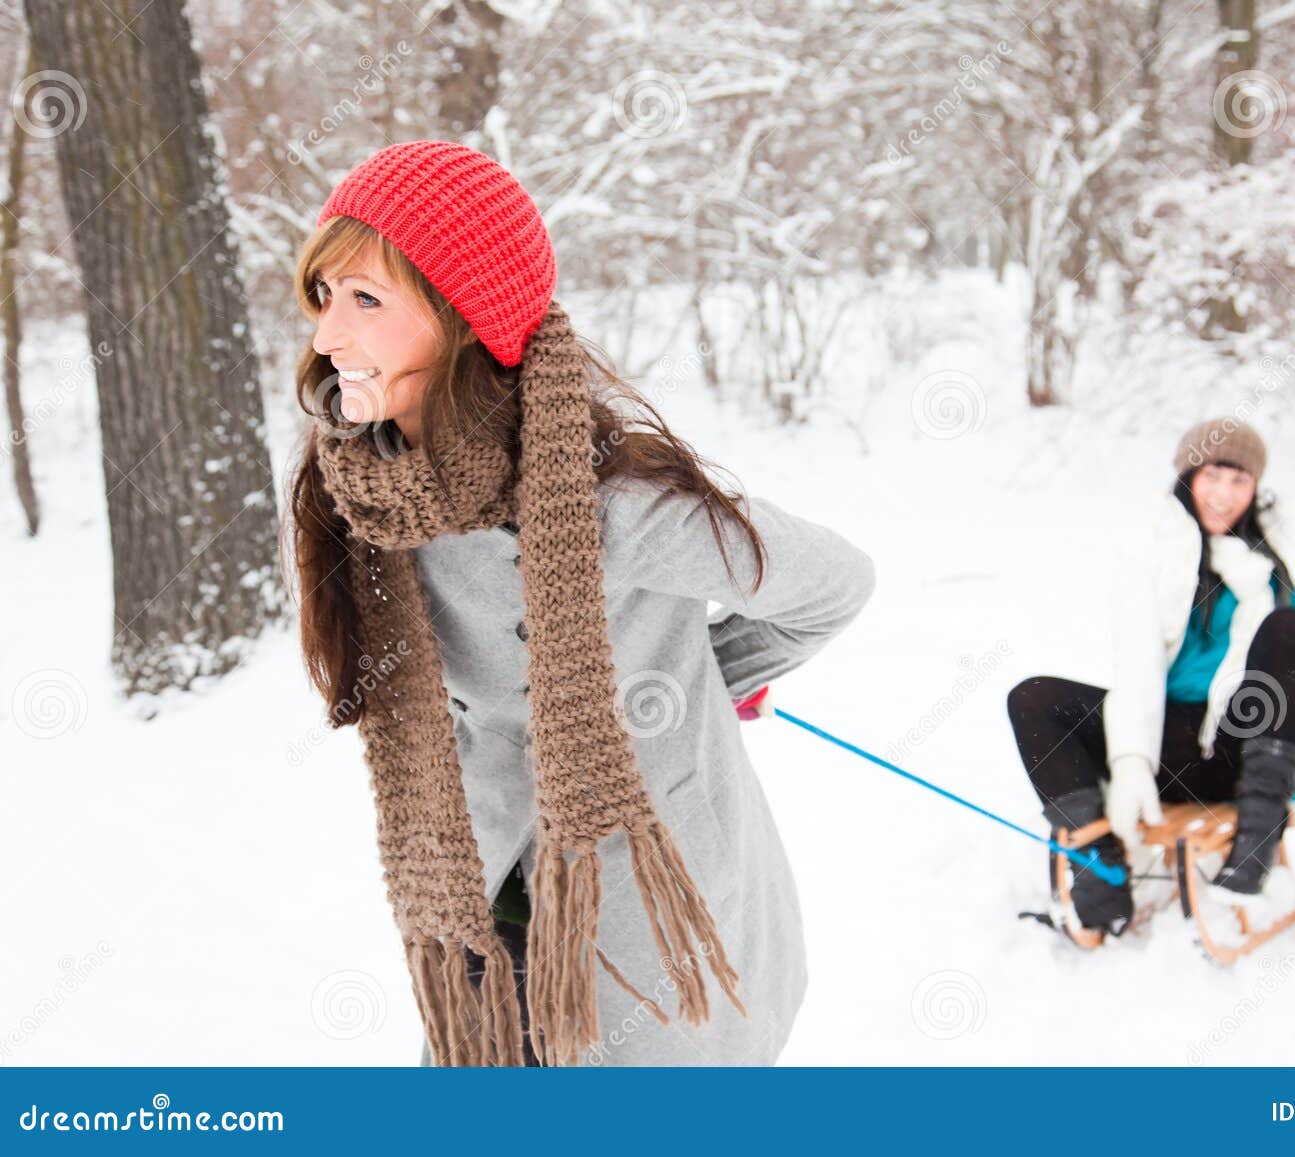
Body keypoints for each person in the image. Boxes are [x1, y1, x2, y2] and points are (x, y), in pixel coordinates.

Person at [285, 141, 875, 1065]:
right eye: (324, 296)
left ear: (462, 316)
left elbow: (832, 584)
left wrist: (698, 681)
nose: (327, 336)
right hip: (482, 903)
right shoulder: (365, 493)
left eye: (367, 299)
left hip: (647, 897)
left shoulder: (612, 502)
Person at [1006, 329, 1295, 936]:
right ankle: (1098, 866)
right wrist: (1133, 763)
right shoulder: (1149, 550)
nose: (1223, 492)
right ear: (1188, 476)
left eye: (1238, 479)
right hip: (1174, 740)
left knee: (1290, 626)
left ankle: (1257, 837)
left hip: (1259, 739)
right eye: (1212, 475)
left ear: (1255, 487)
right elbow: (1137, 665)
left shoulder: (1288, 537)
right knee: (1034, 697)